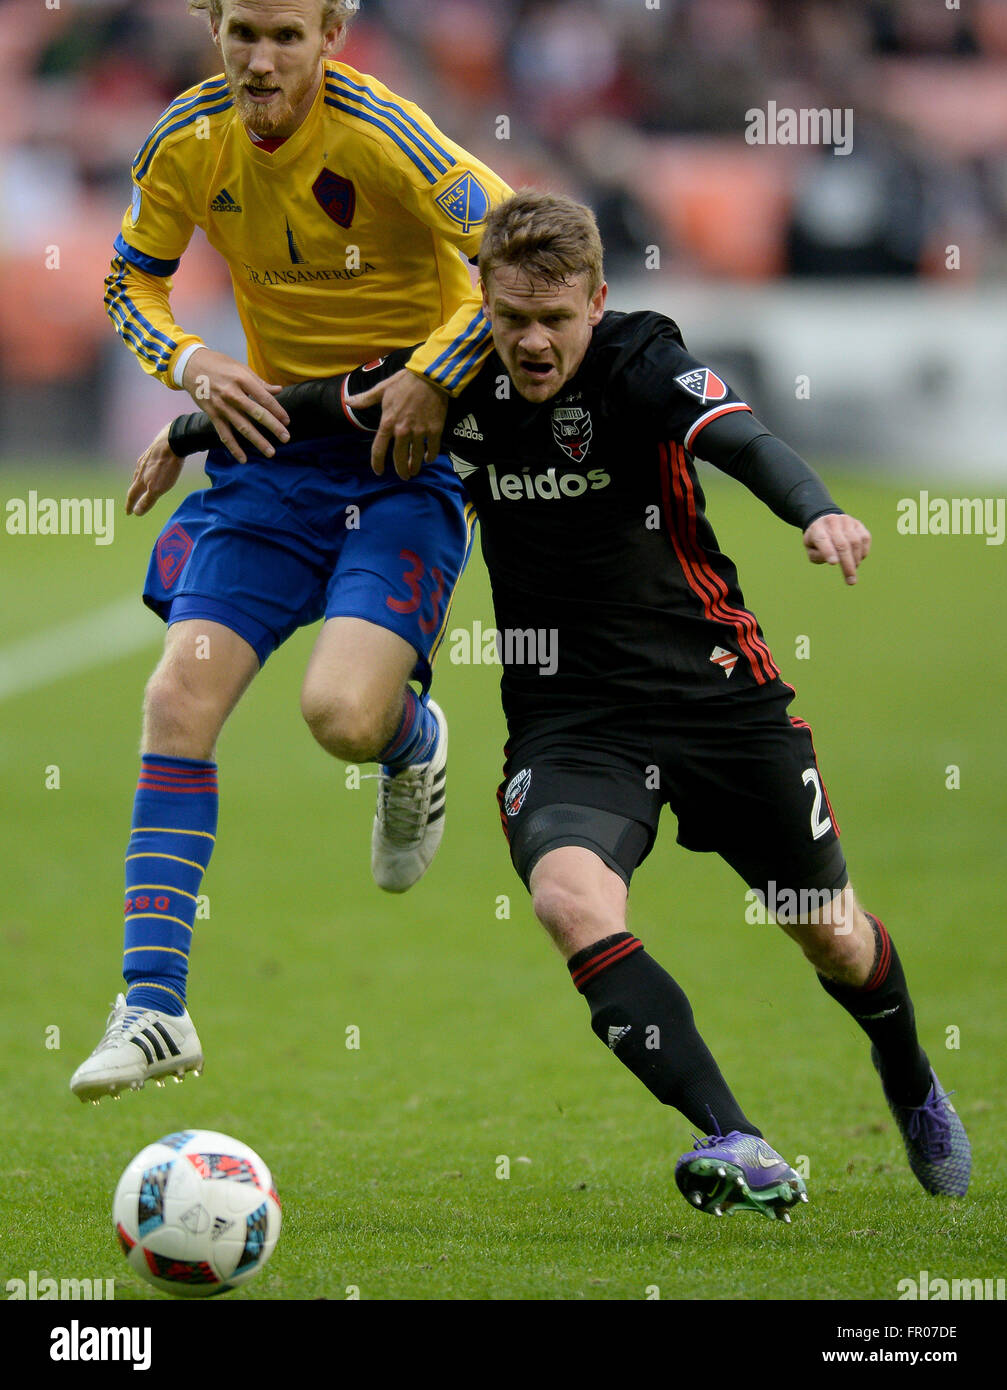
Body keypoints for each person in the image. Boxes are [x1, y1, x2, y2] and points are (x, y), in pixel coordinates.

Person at [142, 189, 971, 1217]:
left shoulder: (642, 361)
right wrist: (184, 431)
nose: (531, 343)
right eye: (509, 318)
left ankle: (909, 1079)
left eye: (554, 319)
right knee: (567, 901)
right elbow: (315, 404)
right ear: (479, 304)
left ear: (595, 302)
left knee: (831, 935)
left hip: (716, 695)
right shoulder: (449, 382)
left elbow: (744, 438)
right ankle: (736, 1135)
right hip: (570, 717)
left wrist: (818, 512)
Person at [70, 0, 513, 1103]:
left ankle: (411, 741)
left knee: (339, 718)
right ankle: (154, 1007)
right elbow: (130, 281)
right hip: (270, 463)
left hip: (397, 467)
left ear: (332, 33)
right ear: (209, 27)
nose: (262, 59)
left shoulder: (387, 137)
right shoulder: (184, 141)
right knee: (178, 698)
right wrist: (190, 366)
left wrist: (438, 368)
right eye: (242, 33)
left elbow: (521, 245)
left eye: (286, 35)